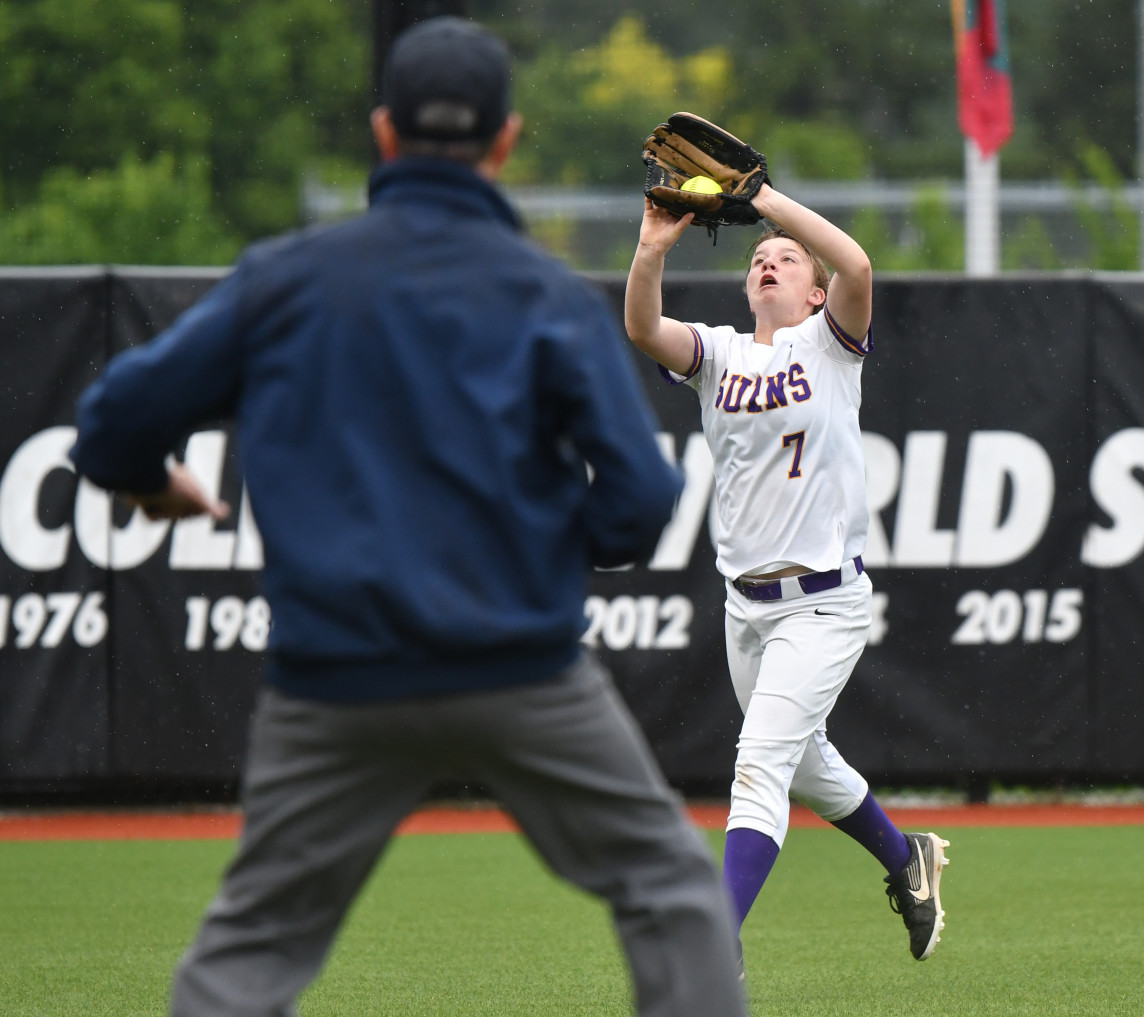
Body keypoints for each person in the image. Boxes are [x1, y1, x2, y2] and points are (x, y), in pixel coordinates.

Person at [69, 17, 748, 1017]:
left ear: (384, 134)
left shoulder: (288, 281)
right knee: (674, 898)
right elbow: (643, 503)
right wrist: (539, 558)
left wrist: (153, 486)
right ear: (506, 141)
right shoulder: (546, 300)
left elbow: (114, 420)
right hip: (520, 669)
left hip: (337, 680)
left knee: (245, 958)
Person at [624, 182, 950, 963]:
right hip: (748, 610)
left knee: (760, 762)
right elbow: (641, 327)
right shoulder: (718, 355)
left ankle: (714, 943)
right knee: (806, 764)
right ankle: (908, 858)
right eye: (760, 258)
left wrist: (765, 199)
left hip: (824, 603)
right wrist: (650, 248)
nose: (770, 261)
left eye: (787, 258)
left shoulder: (831, 346)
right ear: (747, 287)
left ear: (811, 293)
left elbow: (860, 264)